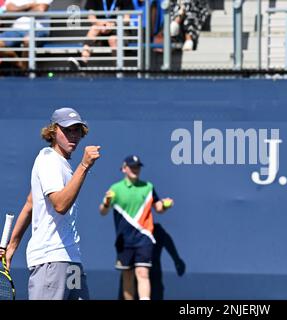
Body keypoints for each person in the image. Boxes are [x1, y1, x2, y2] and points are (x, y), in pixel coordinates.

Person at [2, 107, 100, 300]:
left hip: (72, 262)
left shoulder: (62, 164)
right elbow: (60, 205)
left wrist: (12, 246)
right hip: (51, 261)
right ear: (54, 131)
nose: (73, 135)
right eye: (67, 130)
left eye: (77, 130)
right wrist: (85, 165)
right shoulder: (48, 159)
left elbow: (31, 202)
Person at [99, 155, 174, 300]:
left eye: (137, 167)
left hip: (144, 238)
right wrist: (107, 202)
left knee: (142, 272)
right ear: (124, 168)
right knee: (127, 276)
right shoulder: (116, 189)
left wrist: (165, 204)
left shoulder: (148, 187)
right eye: (132, 166)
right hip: (124, 241)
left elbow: (158, 208)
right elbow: (103, 211)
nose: (135, 169)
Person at [68, 0, 134, 69]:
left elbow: (127, 19)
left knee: (113, 39)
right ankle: (83, 61)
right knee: (94, 28)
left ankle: (118, 68)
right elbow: (91, 17)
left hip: (119, 31)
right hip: (101, 30)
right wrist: (103, 25)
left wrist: (113, 24)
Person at [0, 0, 53, 71]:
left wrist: (19, 10)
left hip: (38, 29)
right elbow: (9, 9)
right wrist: (30, 5)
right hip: (16, 30)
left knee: (28, 40)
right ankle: (22, 67)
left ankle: (25, 73)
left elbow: (41, 10)